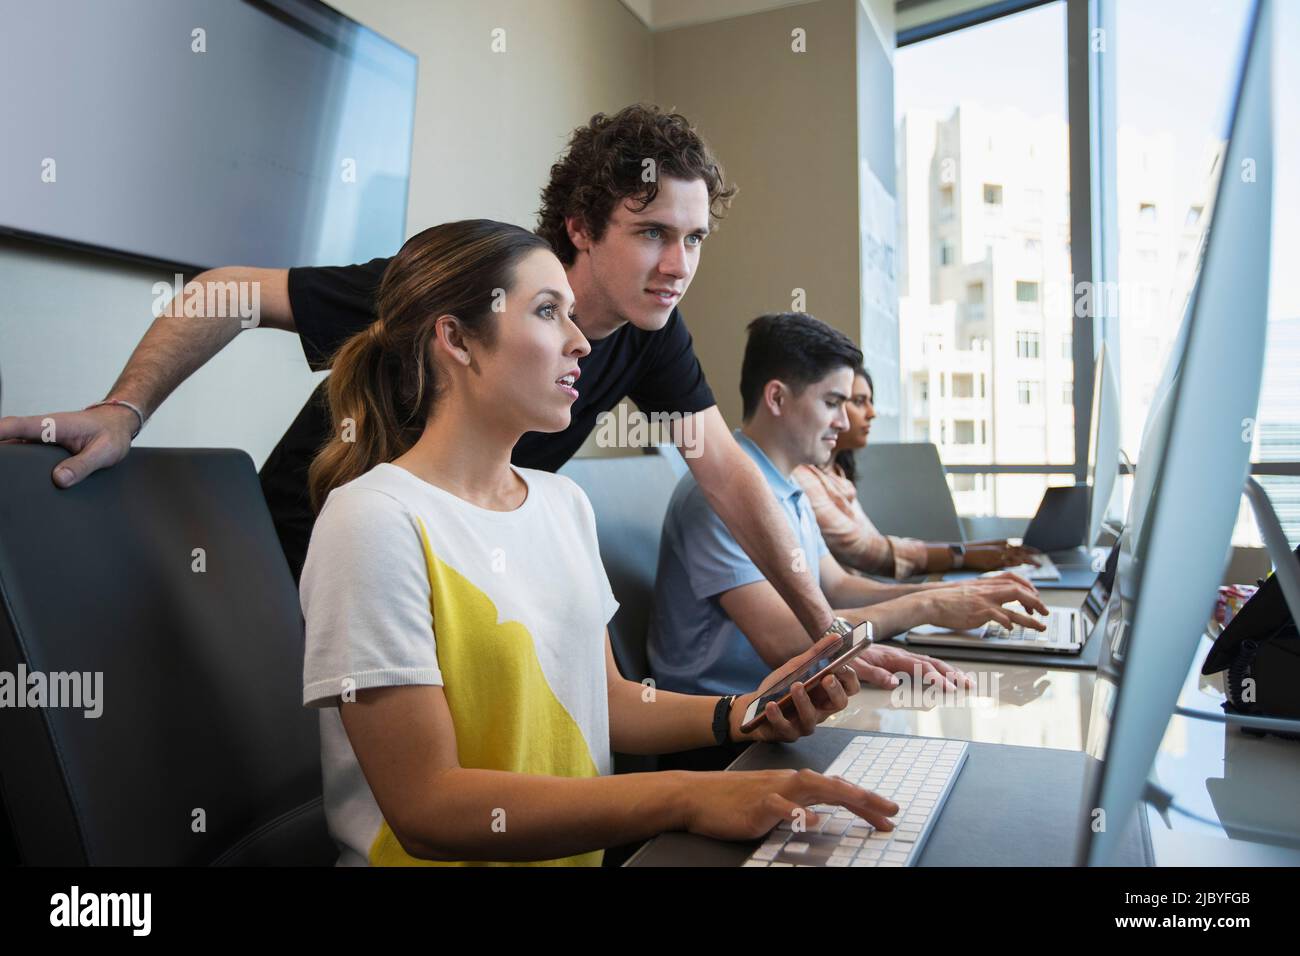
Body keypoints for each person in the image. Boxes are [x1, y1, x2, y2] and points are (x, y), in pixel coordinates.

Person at [0, 104, 841, 645]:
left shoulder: (652, 335)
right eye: (653, 233)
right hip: (300, 560)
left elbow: (726, 473)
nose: (679, 266)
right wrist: (125, 410)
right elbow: (229, 292)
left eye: (694, 239)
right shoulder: (472, 277)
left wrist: (825, 629)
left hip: (428, 579)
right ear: (582, 227)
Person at [302, 220, 888, 866]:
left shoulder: (562, 502)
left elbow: (605, 700)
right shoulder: (372, 520)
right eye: (547, 311)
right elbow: (428, 808)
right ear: (457, 340)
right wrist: (688, 796)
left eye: (572, 314)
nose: (580, 342)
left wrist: (742, 712)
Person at [648, 313, 1048, 700]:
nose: (843, 421)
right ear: (777, 398)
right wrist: (926, 605)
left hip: (794, 698)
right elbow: (782, 640)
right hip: (722, 723)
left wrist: (956, 593)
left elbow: (837, 586)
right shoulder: (717, 497)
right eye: (832, 402)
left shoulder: (788, 483)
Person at [794, 367, 1040, 578]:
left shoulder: (836, 474)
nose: (872, 413)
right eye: (858, 401)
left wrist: (971, 550)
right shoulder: (803, 477)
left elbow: (873, 549)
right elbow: (866, 551)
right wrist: (962, 555)